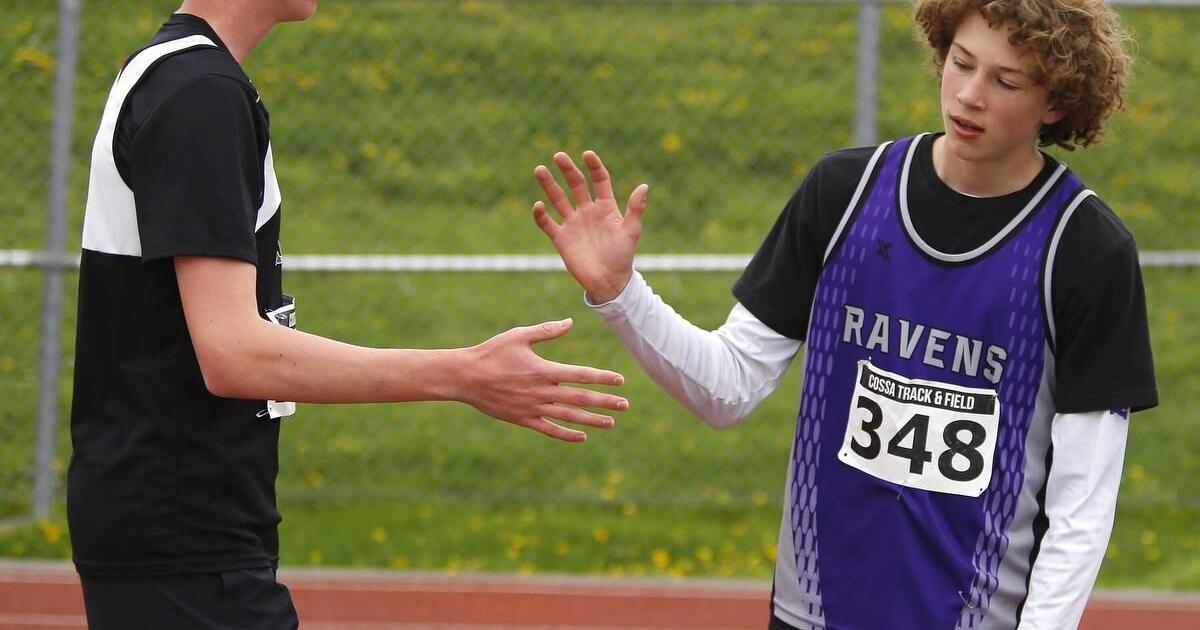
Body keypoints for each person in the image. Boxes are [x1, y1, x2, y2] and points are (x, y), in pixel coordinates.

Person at [532, 0, 1156, 628]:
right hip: (814, 616)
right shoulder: (844, 193)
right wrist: (620, 291)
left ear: (1054, 103)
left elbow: (1083, 502)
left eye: (1005, 81)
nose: (969, 95)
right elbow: (728, 388)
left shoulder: (1085, 250)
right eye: (961, 64)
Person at [68, 1, 628, 628]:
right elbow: (231, 352)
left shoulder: (175, 75)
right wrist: (463, 374)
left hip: (176, 532)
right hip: (181, 539)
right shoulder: (200, 94)